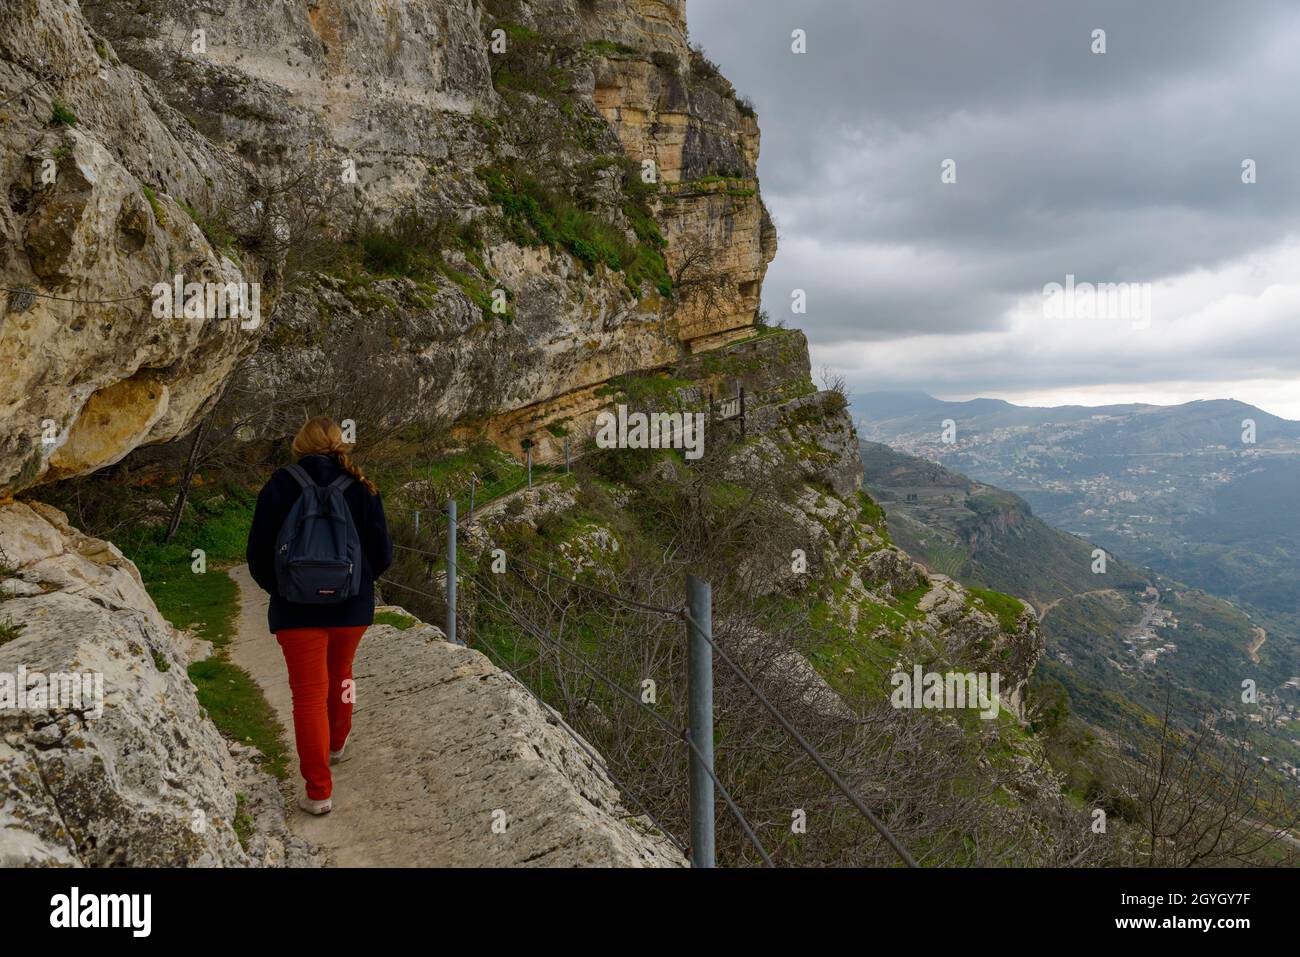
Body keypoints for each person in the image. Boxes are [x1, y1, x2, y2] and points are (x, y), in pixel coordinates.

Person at [246, 417, 393, 815]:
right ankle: (338, 743)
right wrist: (355, 586)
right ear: (338, 445)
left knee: (308, 696)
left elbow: (258, 555)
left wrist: (282, 589)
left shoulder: (279, 485)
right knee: (342, 674)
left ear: (300, 446)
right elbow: (382, 554)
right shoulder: (362, 486)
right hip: (350, 609)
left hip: (296, 611)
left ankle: (318, 793)